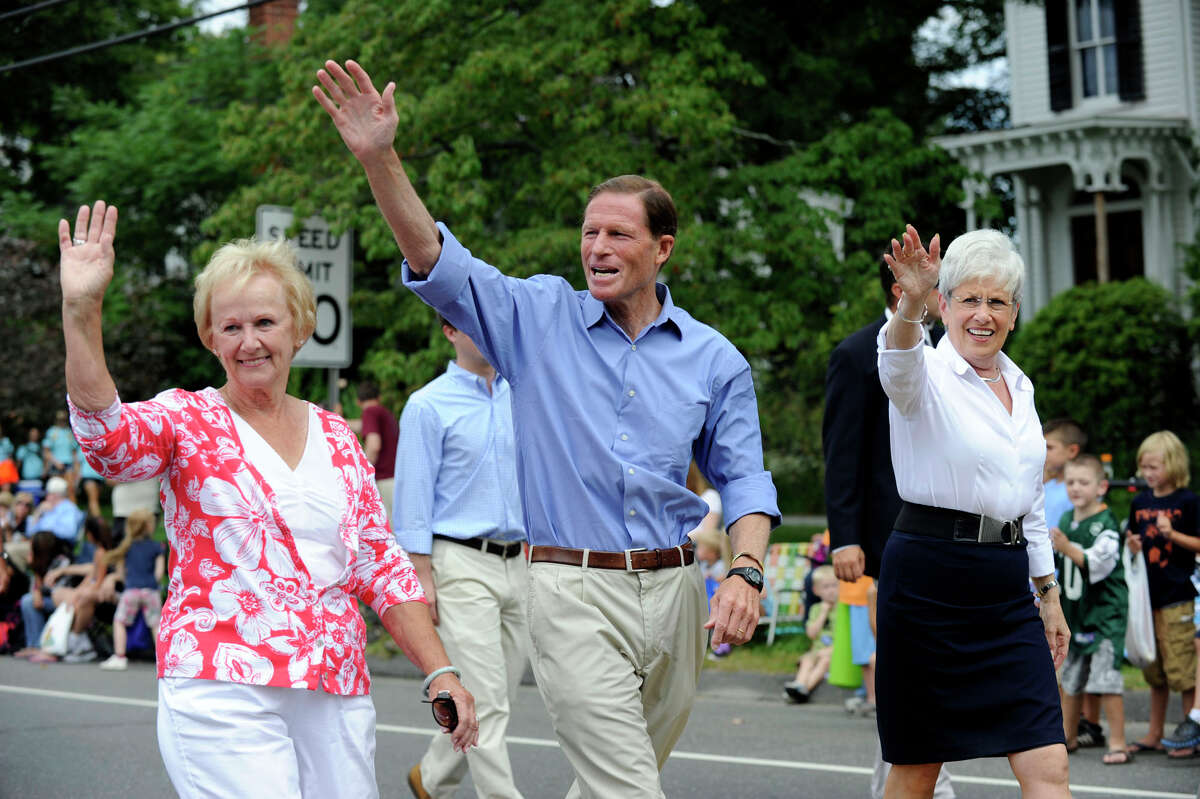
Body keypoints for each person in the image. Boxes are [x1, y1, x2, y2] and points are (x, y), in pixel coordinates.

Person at [316, 60, 778, 798]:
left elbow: (747, 479)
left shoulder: (714, 358)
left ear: (662, 250)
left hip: (677, 590)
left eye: (618, 234)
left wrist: (747, 571)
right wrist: (381, 157)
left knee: (610, 784)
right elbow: (434, 258)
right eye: (589, 231)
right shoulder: (535, 317)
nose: (596, 246)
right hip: (569, 588)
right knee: (629, 788)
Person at [58, 199, 477, 797]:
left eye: (264, 323)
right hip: (221, 684)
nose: (249, 341)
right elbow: (109, 445)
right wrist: (82, 310)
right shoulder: (185, 417)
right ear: (210, 337)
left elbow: (382, 568)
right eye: (231, 327)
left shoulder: (339, 437)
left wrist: (440, 671)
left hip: (334, 688)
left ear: (300, 328)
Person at [877, 225, 1070, 798]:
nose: (982, 314)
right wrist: (910, 302)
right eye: (968, 299)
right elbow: (899, 356)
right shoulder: (923, 373)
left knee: (1048, 760)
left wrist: (1049, 593)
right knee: (917, 767)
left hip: (1007, 591)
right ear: (945, 304)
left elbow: (1029, 499)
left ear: (1014, 313)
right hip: (928, 583)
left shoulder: (1021, 385)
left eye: (997, 301)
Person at [394, 317, 528, 799]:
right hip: (460, 563)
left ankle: (430, 778)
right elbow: (412, 500)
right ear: (450, 331)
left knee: (498, 698)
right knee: (488, 700)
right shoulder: (428, 405)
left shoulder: (525, 394)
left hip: (523, 560)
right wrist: (420, 577)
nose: (490, 332)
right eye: (474, 324)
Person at [1122, 430, 1200, 757]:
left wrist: (1175, 534)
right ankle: (1154, 733)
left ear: (1173, 464)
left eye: (1154, 467)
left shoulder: (1188, 502)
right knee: (1155, 671)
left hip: (1178, 596)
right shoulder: (1140, 502)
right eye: (1144, 467)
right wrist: (1132, 545)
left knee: (1182, 670)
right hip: (1147, 599)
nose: (1148, 474)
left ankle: (1189, 734)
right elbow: (1130, 537)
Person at [1050, 454, 1129, 764]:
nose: (1076, 488)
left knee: (1106, 681)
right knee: (1070, 680)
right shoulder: (1068, 519)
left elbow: (1099, 562)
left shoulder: (1106, 524)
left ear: (1101, 486)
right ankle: (1066, 737)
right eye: (1070, 482)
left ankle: (1119, 743)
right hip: (1076, 613)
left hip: (1105, 615)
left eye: (1084, 482)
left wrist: (1068, 547)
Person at [99, 508, 165, 671]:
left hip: (131, 591)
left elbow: (121, 574)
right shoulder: (158, 547)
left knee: (120, 621)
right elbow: (158, 574)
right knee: (156, 625)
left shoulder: (126, 547)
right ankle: (163, 661)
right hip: (151, 590)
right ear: (149, 526)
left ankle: (120, 657)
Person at [784, 565, 838, 703]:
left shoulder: (842, 610)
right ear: (816, 591)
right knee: (807, 660)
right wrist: (823, 613)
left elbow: (845, 638)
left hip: (835, 653)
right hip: (817, 650)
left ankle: (805, 689)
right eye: (826, 587)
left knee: (824, 661)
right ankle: (799, 685)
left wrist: (831, 650)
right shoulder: (815, 609)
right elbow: (811, 634)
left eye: (834, 586)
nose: (831, 590)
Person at [356, 381, 399, 526]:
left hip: (383, 481)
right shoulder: (384, 413)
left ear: (358, 402)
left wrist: (362, 474)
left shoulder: (369, 412)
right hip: (395, 480)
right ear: (379, 397)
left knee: (387, 532)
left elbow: (374, 445)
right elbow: (360, 425)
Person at [1043, 420, 1085, 545]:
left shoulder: (1081, 491)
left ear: (1072, 451)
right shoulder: (1045, 486)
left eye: (1049, 447)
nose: (1043, 452)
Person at [29, 476, 84, 544]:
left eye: (48, 494)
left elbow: (69, 533)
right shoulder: (49, 508)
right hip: (40, 544)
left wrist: (45, 529)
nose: (46, 497)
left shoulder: (69, 509)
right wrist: (38, 512)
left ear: (55, 495)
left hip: (57, 547)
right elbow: (30, 531)